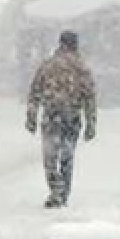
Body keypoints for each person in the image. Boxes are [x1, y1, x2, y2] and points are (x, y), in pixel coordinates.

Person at [26, 31, 98, 208]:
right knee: (67, 155)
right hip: (72, 117)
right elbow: (90, 97)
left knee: (50, 156)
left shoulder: (47, 65)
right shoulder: (82, 68)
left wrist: (31, 117)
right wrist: (91, 123)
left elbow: (34, 92)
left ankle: (55, 189)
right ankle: (63, 192)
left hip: (51, 116)